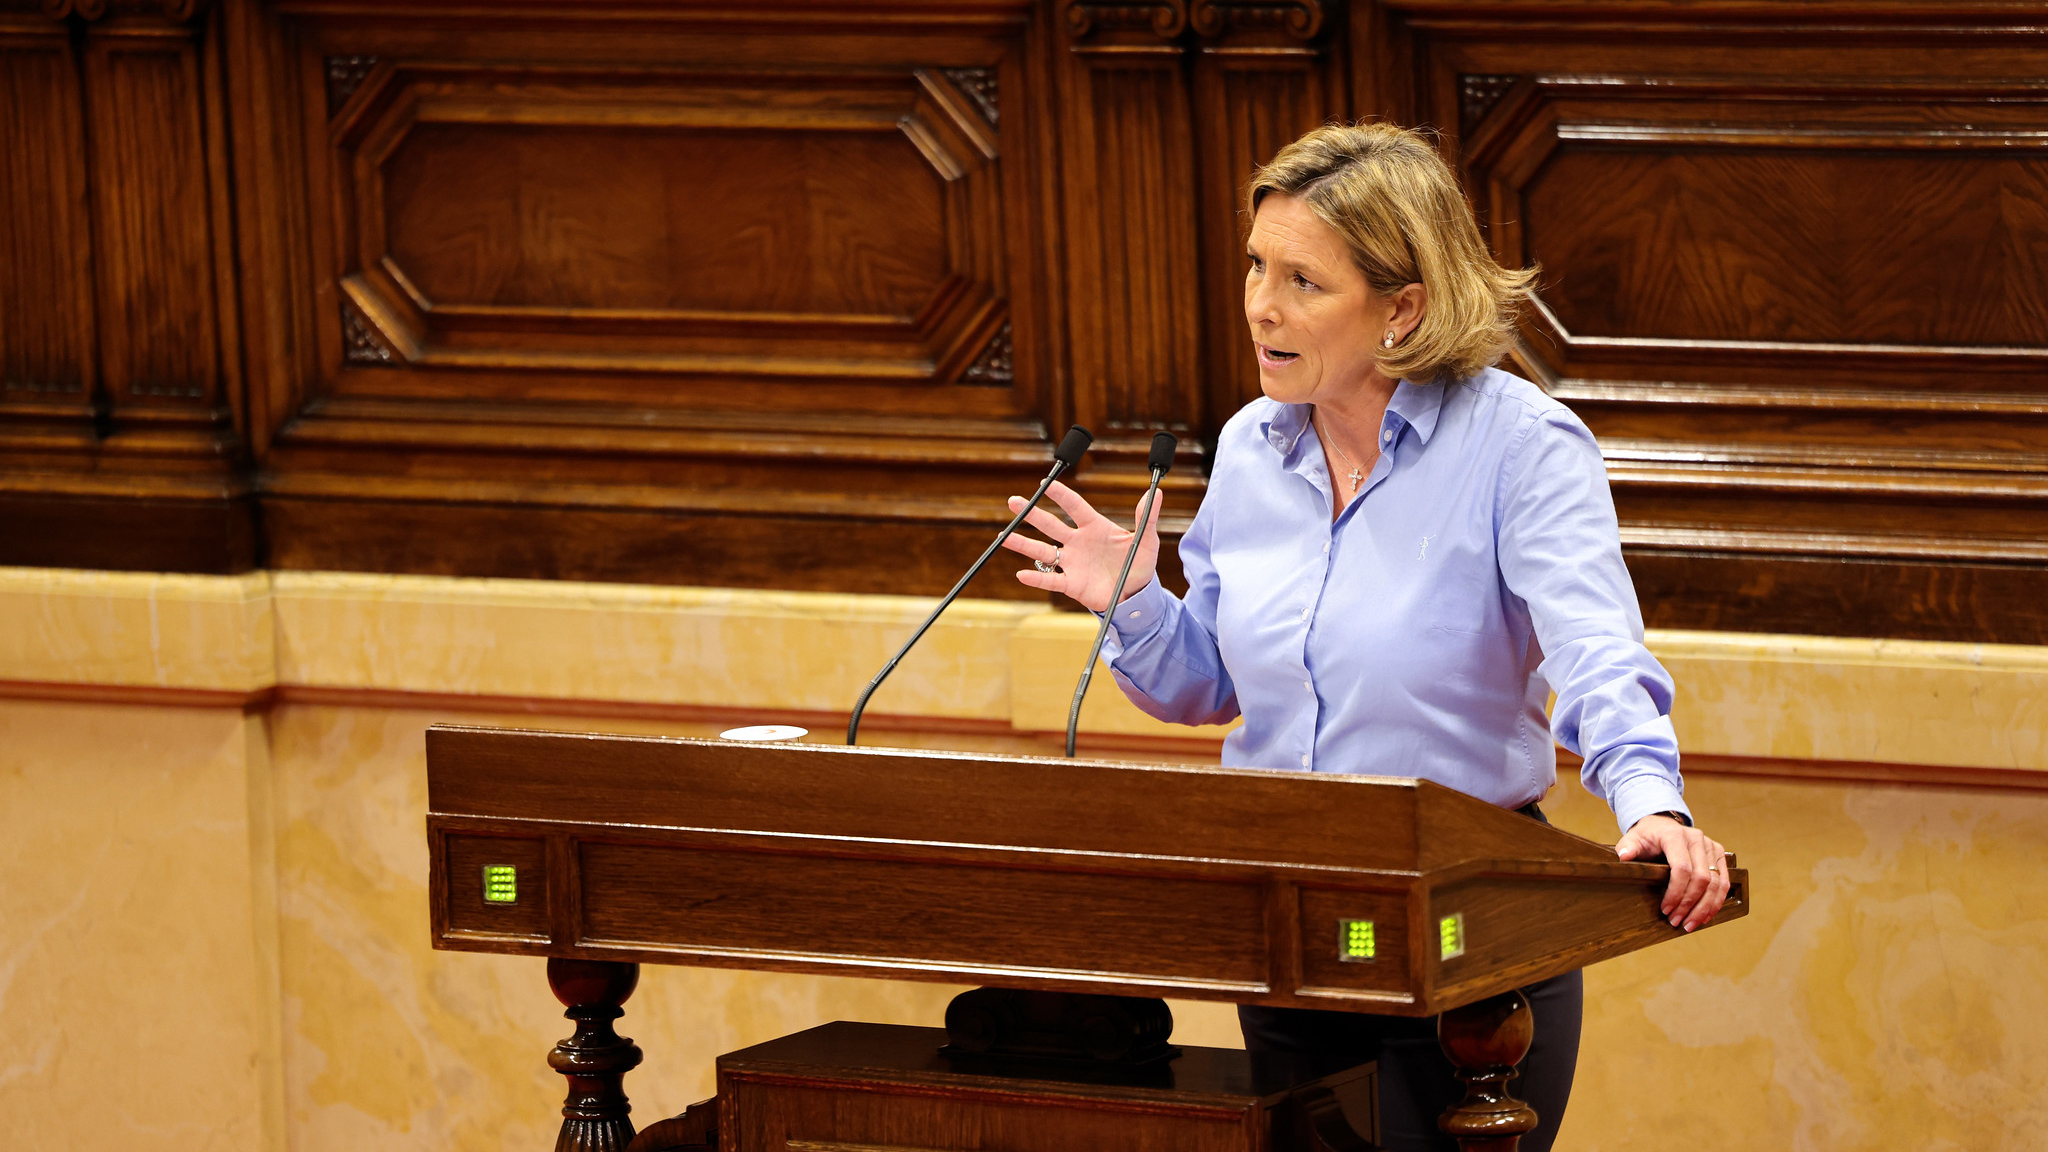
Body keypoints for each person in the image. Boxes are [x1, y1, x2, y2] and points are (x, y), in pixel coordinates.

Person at [999, 122, 1730, 1151]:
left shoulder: (1516, 446)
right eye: (1256, 266)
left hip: (1463, 934)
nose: (1261, 304)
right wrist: (1133, 604)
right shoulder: (1251, 448)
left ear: (1401, 306)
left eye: (1302, 280)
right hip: (1291, 922)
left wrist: (1650, 800)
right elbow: (1206, 683)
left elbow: (1593, 650)